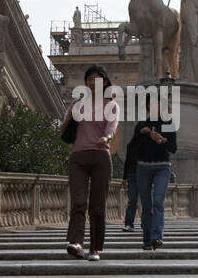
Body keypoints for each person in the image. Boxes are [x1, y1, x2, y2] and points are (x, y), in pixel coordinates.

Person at [62, 65, 119, 261]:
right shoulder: (77, 104)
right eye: (89, 79)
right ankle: (76, 243)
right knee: (78, 202)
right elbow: (63, 131)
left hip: (100, 157)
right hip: (78, 156)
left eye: (97, 79)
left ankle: (95, 248)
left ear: (104, 82)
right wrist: (69, 117)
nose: (92, 83)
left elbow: (111, 127)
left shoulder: (111, 105)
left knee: (97, 205)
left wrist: (107, 138)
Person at [128, 118, 176, 250]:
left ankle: (156, 236)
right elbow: (132, 146)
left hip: (163, 166)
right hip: (143, 167)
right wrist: (142, 134)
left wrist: (163, 140)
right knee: (146, 205)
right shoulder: (143, 124)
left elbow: (173, 148)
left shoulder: (168, 124)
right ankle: (147, 239)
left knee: (158, 202)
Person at [121, 132, 140, 233]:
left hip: (145, 172)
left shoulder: (148, 144)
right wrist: (124, 178)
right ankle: (129, 224)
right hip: (132, 173)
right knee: (132, 200)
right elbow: (127, 161)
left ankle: (146, 222)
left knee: (146, 201)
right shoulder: (131, 145)